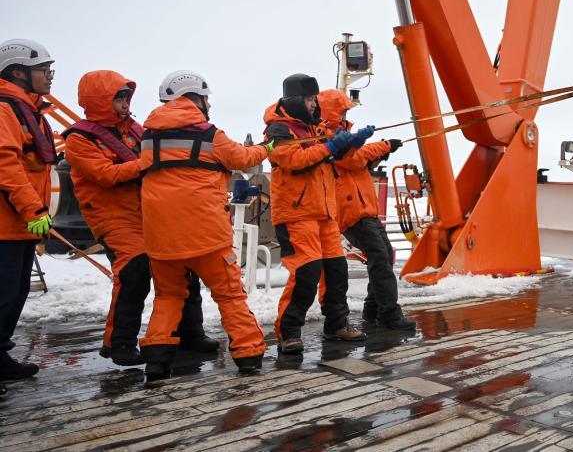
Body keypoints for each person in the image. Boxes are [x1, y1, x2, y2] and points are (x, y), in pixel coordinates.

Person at [63, 70, 217, 367]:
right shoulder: (79, 140)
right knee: (134, 270)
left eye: (126, 97)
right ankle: (118, 342)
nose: (124, 103)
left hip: (150, 212)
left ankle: (190, 332)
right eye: (118, 98)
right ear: (100, 101)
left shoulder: (135, 129)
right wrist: (150, 161)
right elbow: (106, 176)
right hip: (114, 217)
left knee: (184, 264)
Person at [138, 70, 271, 381]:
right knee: (229, 296)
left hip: (161, 238)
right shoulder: (211, 135)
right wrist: (270, 147)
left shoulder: (147, 137)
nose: (208, 104)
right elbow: (242, 158)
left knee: (168, 297)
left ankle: (156, 361)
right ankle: (249, 354)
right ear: (196, 98)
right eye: (205, 98)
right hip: (206, 236)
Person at [264, 74, 365, 354]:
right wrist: (330, 146)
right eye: (309, 99)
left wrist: (352, 142)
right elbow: (294, 161)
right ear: (296, 100)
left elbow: (332, 157)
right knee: (306, 272)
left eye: (314, 99)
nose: (313, 104)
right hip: (297, 214)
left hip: (324, 213)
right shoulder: (277, 131)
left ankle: (336, 323)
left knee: (336, 270)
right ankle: (289, 330)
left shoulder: (314, 129)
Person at [318, 89, 414, 332]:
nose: (347, 113)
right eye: (343, 109)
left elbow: (358, 162)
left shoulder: (342, 136)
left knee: (385, 254)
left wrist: (382, 153)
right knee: (380, 257)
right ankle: (389, 314)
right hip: (352, 213)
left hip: (363, 210)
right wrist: (383, 146)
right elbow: (353, 160)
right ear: (333, 111)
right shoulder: (328, 138)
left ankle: (374, 308)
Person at [0, 39, 56, 381]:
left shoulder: (28, 109)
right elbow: (5, 164)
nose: (49, 76)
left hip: (19, 223)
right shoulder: (5, 109)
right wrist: (34, 209)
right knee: (3, 294)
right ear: (19, 72)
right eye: (43, 70)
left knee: (14, 294)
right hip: (8, 222)